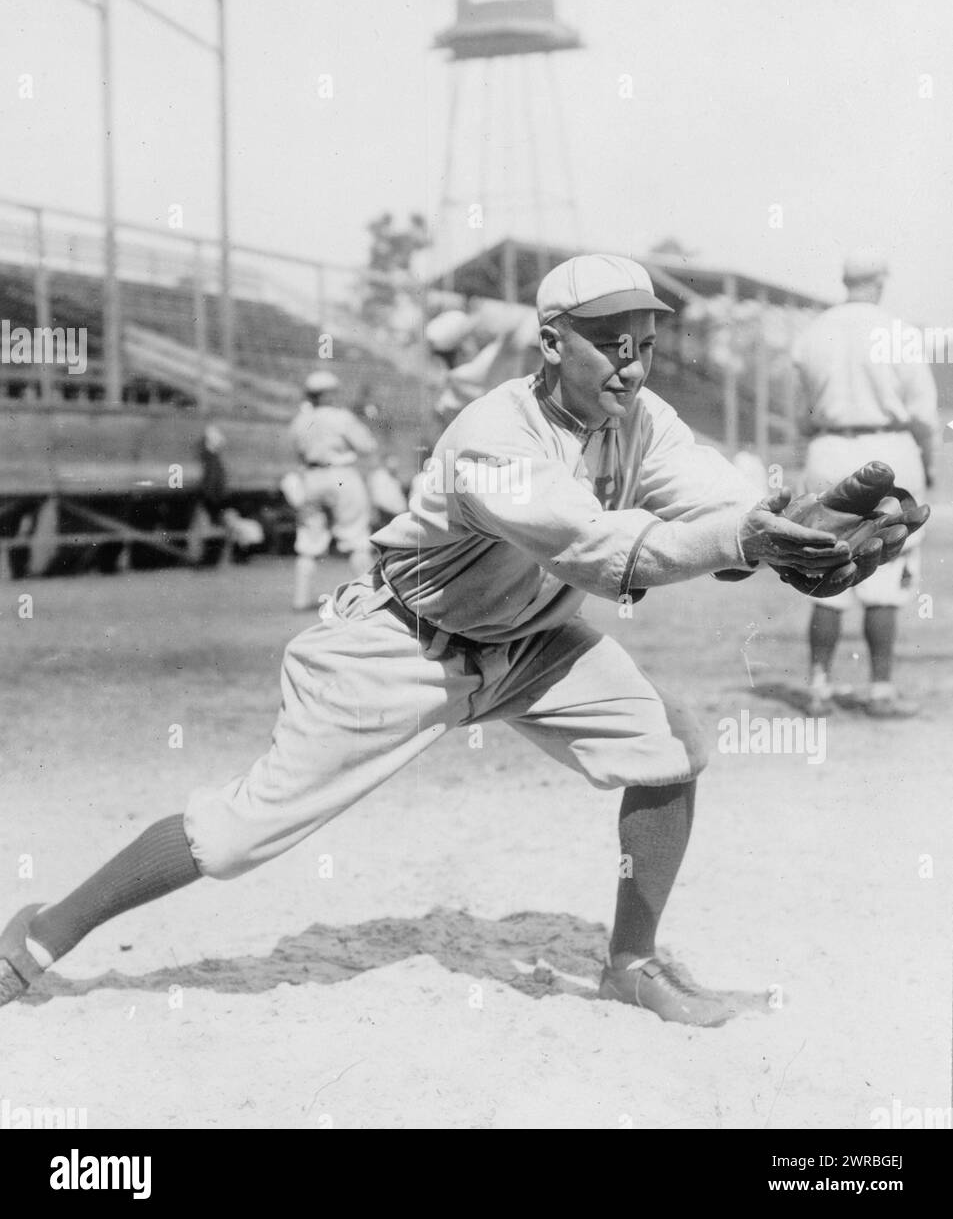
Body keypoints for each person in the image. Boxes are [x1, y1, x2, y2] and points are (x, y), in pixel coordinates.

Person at [0, 256, 900, 1026]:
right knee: (236, 838)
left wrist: (804, 530)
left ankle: (632, 964)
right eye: (609, 344)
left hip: (533, 641)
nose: (631, 366)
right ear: (552, 342)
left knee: (668, 751)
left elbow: (712, 504)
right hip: (400, 647)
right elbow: (592, 548)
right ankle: (43, 931)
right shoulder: (491, 438)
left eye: (644, 345)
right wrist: (746, 541)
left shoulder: (642, 418)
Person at [792, 250, 938, 718]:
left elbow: (801, 416)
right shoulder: (898, 332)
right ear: (881, 280)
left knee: (823, 563)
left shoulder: (814, 332)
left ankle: (818, 685)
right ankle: (879, 689)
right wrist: (928, 464)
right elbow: (923, 416)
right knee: (887, 570)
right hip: (889, 450)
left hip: (829, 449)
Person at [282, 369, 378, 610]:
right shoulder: (341, 417)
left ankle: (300, 599)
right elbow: (367, 446)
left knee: (308, 540)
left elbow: (295, 449)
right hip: (341, 474)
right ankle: (367, 599)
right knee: (356, 537)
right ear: (328, 394)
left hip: (311, 476)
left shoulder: (300, 419)